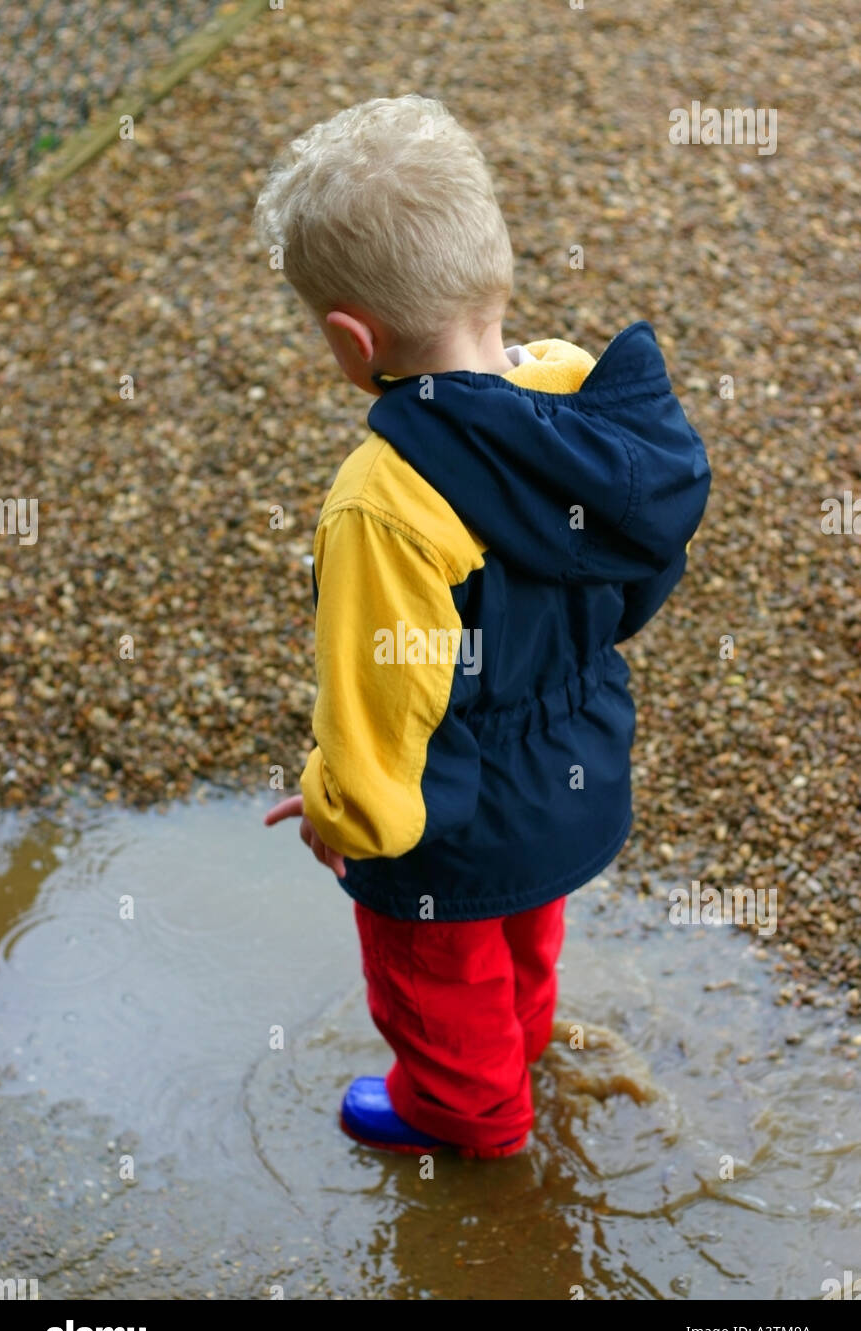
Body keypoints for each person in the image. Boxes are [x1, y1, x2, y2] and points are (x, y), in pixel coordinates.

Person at [254, 94, 710, 1159]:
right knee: (524, 930)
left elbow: (381, 692)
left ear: (348, 340)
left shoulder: (383, 499)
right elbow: (640, 574)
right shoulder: (583, 404)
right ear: (490, 268)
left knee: (436, 982)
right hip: (577, 762)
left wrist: (343, 813)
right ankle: (529, 1041)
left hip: (448, 821)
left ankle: (470, 1126)